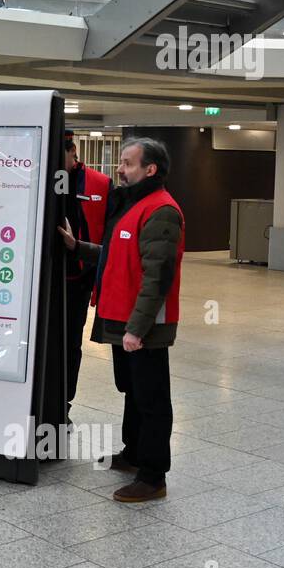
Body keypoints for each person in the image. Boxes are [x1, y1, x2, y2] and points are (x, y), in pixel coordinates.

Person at [57, 137, 184, 503]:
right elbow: (117, 256)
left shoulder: (161, 211)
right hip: (124, 322)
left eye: (128, 163)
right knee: (132, 391)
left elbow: (157, 278)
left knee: (152, 398)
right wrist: (77, 247)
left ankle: (153, 475)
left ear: (150, 169)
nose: (120, 169)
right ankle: (133, 453)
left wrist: (137, 329)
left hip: (143, 328)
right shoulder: (133, 206)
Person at [62, 138, 111, 422]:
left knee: (70, 343)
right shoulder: (34, 176)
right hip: (39, 281)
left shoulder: (100, 184)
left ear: (73, 152)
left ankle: (64, 403)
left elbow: (109, 235)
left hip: (78, 278)